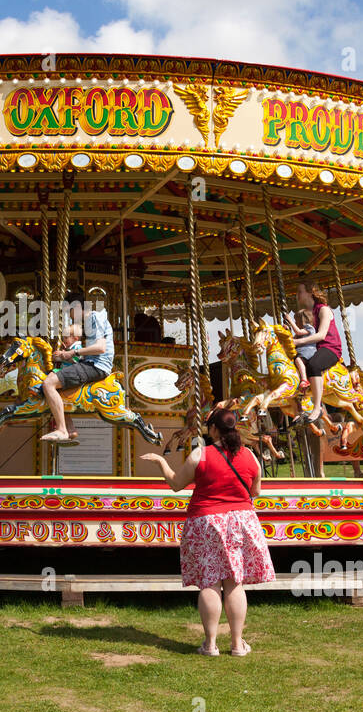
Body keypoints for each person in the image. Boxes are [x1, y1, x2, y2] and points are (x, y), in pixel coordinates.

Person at [141, 409, 274, 657]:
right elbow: (255, 492)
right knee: (235, 582)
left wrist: (161, 462)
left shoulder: (200, 455)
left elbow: (175, 484)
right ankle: (236, 644)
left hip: (205, 521)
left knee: (209, 581)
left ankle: (210, 644)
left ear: (213, 429)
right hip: (240, 521)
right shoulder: (251, 457)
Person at [40, 288, 113, 444]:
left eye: (69, 312)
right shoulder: (90, 322)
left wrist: (73, 353)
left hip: (97, 366)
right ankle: (70, 428)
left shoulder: (95, 318)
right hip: (92, 363)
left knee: (49, 383)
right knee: (57, 387)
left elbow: (101, 348)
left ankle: (61, 430)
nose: (70, 316)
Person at [287, 281, 343, 427]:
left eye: (300, 292)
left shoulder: (323, 309)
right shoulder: (311, 312)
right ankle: (299, 408)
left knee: (314, 364)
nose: (297, 295)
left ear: (310, 292)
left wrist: (298, 342)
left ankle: (317, 407)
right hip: (317, 348)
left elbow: (321, 335)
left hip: (330, 348)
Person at [288, 308, 317, 388]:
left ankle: (304, 379)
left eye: (296, 321)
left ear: (302, 321)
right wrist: (286, 330)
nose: (296, 323)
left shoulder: (309, 328)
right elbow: (291, 339)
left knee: (298, 359)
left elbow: (298, 331)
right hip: (301, 351)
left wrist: (290, 321)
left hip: (308, 350)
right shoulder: (299, 334)